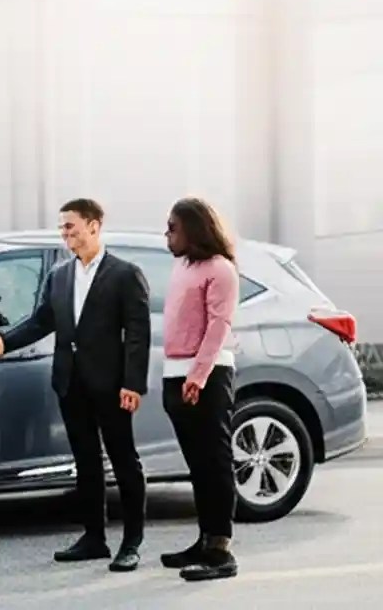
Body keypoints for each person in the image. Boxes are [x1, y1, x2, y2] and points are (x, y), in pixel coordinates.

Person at [0, 198, 151, 572]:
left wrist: (133, 383)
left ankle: (131, 542)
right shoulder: (61, 275)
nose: (65, 233)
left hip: (112, 385)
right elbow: (40, 323)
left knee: (123, 461)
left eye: (71, 226)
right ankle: (94, 538)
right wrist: (3, 342)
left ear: (94, 226)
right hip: (70, 382)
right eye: (62, 227)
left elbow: (138, 334)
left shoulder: (125, 274)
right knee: (86, 462)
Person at [158, 197, 241, 581]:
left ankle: (221, 551)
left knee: (214, 461)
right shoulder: (182, 267)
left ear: (194, 228)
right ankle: (205, 539)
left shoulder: (221, 269)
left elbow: (218, 325)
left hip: (206, 376)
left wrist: (198, 375)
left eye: (173, 227)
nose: (167, 234)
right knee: (197, 465)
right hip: (176, 373)